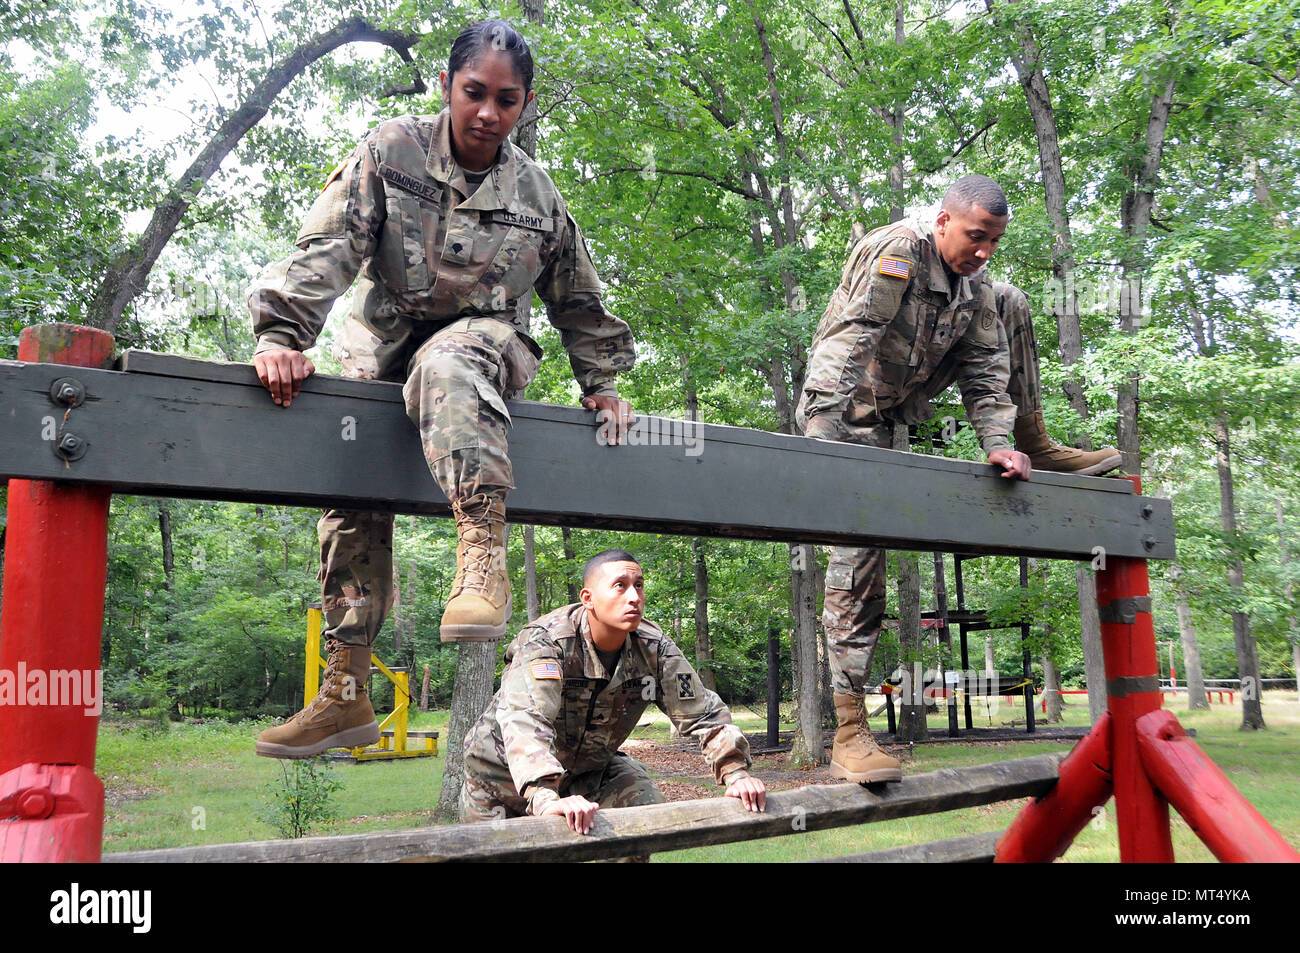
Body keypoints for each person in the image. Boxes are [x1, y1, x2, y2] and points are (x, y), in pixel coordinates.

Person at [249, 20, 636, 759]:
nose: (487, 112)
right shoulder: (391, 152)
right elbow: (327, 247)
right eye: (474, 92)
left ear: (524, 105)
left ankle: (482, 559)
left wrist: (603, 382)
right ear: (447, 86)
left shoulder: (536, 194)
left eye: (506, 100)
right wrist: (281, 337)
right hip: (383, 348)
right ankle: (346, 686)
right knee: (351, 486)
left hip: (484, 347)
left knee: (448, 362)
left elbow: (577, 294)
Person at [795, 174, 1120, 784]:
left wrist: (1000, 444)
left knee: (1011, 299)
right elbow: (851, 339)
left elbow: (985, 366)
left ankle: (1034, 441)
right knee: (859, 556)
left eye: (994, 241)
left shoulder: (979, 286)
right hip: (850, 412)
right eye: (976, 236)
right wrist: (819, 436)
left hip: (901, 406)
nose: (984, 251)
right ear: (943, 221)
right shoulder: (897, 250)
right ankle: (849, 730)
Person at [460, 550, 767, 833]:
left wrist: (736, 774)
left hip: (587, 772)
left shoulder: (654, 648)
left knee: (644, 807)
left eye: (639, 586)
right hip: (501, 776)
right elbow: (526, 718)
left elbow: (702, 713)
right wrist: (544, 796)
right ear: (588, 598)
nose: (634, 597)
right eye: (620, 586)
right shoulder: (548, 643)